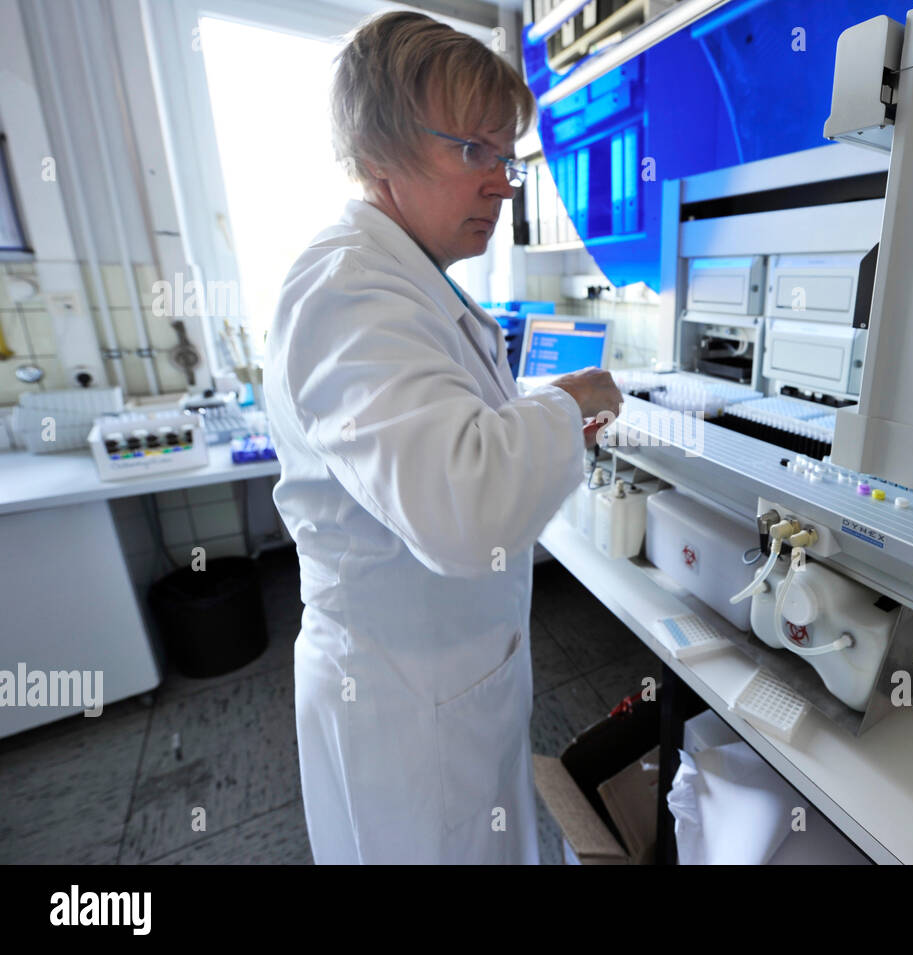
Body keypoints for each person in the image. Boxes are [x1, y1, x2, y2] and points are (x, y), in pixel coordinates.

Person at [264, 10, 623, 864]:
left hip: (448, 677)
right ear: (378, 148)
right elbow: (465, 507)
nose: (503, 184)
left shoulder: (410, 281)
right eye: (474, 152)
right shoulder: (350, 287)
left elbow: (458, 435)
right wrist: (570, 404)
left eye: (507, 158)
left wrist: (541, 420)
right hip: (399, 703)